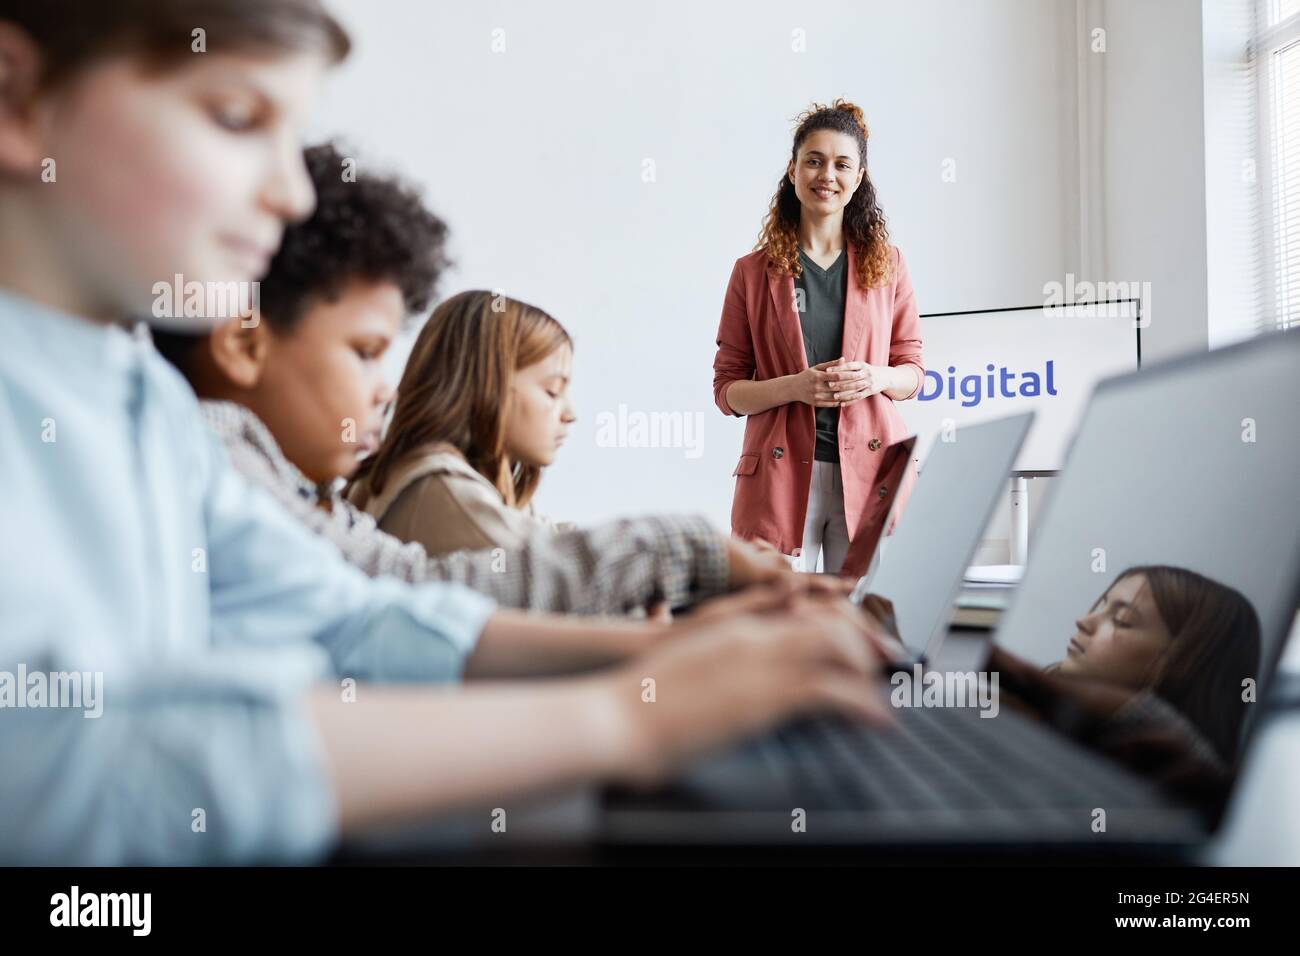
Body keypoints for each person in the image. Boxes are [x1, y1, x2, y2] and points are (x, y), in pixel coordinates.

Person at [0, 0, 892, 864]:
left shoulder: (148, 402)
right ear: (16, 99)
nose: (290, 190)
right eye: (236, 116)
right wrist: (627, 719)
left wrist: (671, 654)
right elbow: (73, 779)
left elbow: (356, 618)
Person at [154, 141, 781, 616]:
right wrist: (684, 554)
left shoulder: (292, 491)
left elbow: (412, 600)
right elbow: (426, 599)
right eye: (366, 351)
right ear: (242, 342)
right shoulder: (213, 459)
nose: (384, 388)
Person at [712, 98, 924, 575]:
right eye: (814, 160)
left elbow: (913, 373)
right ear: (792, 170)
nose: (826, 174)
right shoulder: (751, 273)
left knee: (861, 629)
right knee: (778, 624)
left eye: (841, 163)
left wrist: (875, 377)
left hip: (870, 472)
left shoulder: (889, 264)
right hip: (780, 476)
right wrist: (794, 387)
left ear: (859, 176)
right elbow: (727, 391)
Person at [347, 290, 577, 560]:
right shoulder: (439, 489)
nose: (570, 413)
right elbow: (561, 574)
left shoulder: (479, 484)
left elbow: (553, 540)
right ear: (487, 385)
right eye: (552, 391)